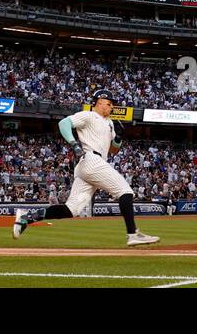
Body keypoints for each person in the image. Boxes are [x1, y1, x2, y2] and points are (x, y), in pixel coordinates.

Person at [13, 90, 159, 247]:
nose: (112, 106)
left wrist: (118, 137)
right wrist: (74, 144)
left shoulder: (109, 122)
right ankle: (133, 234)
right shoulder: (89, 115)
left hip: (92, 165)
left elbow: (113, 150)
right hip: (92, 160)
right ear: (100, 102)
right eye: (109, 103)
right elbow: (64, 124)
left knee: (71, 210)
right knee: (125, 191)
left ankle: (26, 218)